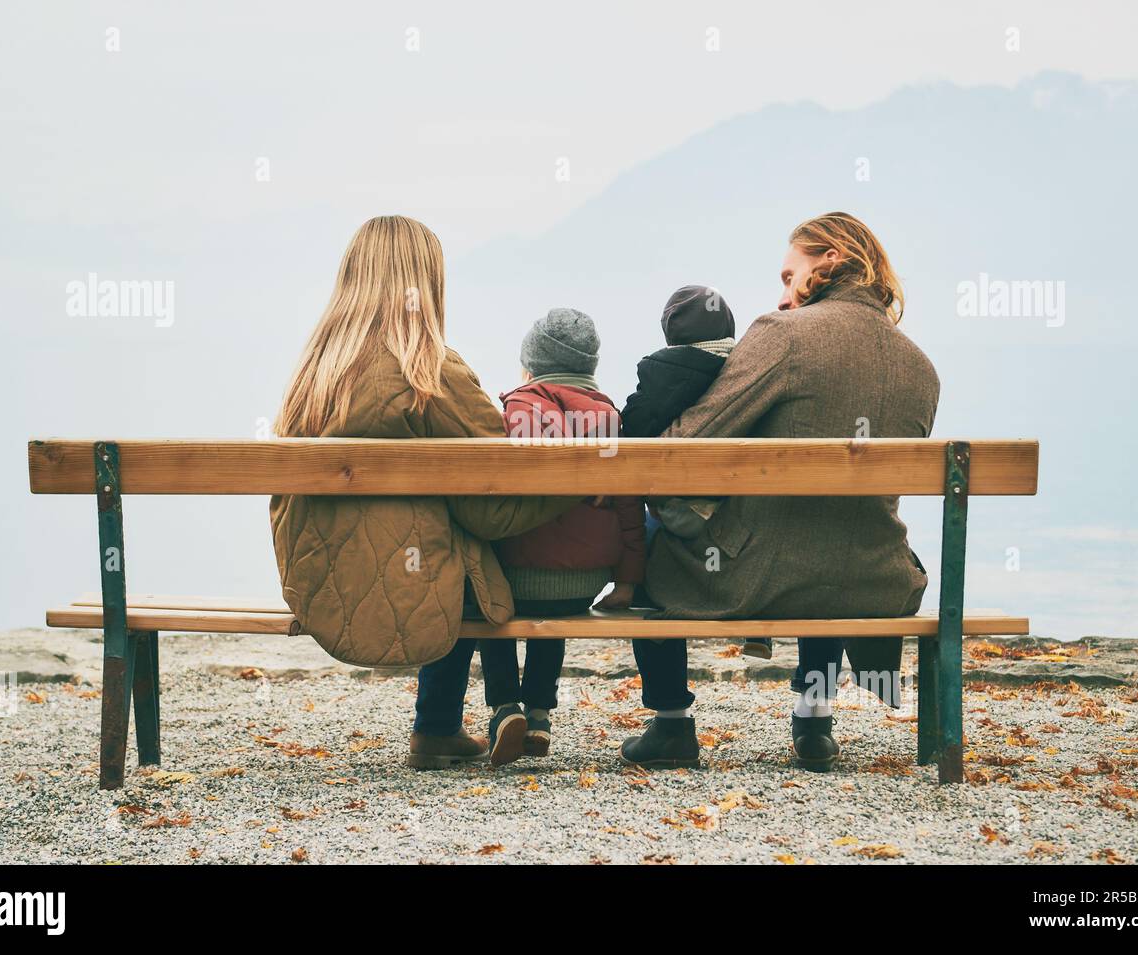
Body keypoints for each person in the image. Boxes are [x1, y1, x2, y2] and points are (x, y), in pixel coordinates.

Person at [619, 212, 940, 772]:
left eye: (790, 277)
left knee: (651, 543)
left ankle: (671, 723)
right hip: (873, 578)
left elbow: (683, 446)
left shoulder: (782, 336)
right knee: (828, 538)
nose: (785, 295)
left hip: (761, 576)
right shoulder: (921, 367)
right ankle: (813, 720)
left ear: (830, 261)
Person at [269, 215, 575, 769]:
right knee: (463, 544)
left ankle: (438, 726)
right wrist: (570, 490)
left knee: (427, 530)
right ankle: (448, 721)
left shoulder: (314, 375)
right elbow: (493, 504)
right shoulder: (431, 371)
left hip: (318, 577)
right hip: (414, 586)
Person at [482, 308, 646, 765]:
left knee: (490, 605)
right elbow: (631, 507)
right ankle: (538, 714)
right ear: (588, 368)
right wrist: (627, 580)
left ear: (530, 367)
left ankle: (504, 707)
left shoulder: (515, 410)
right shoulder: (609, 417)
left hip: (512, 584)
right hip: (582, 584)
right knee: (552, 609)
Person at [618, 285, 771, 659]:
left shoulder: (662, 372)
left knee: (648, 563)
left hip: (681, 513)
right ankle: (761, 629)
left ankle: (671, 710)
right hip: (741, 517)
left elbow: (634, 430)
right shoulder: (748, 372)